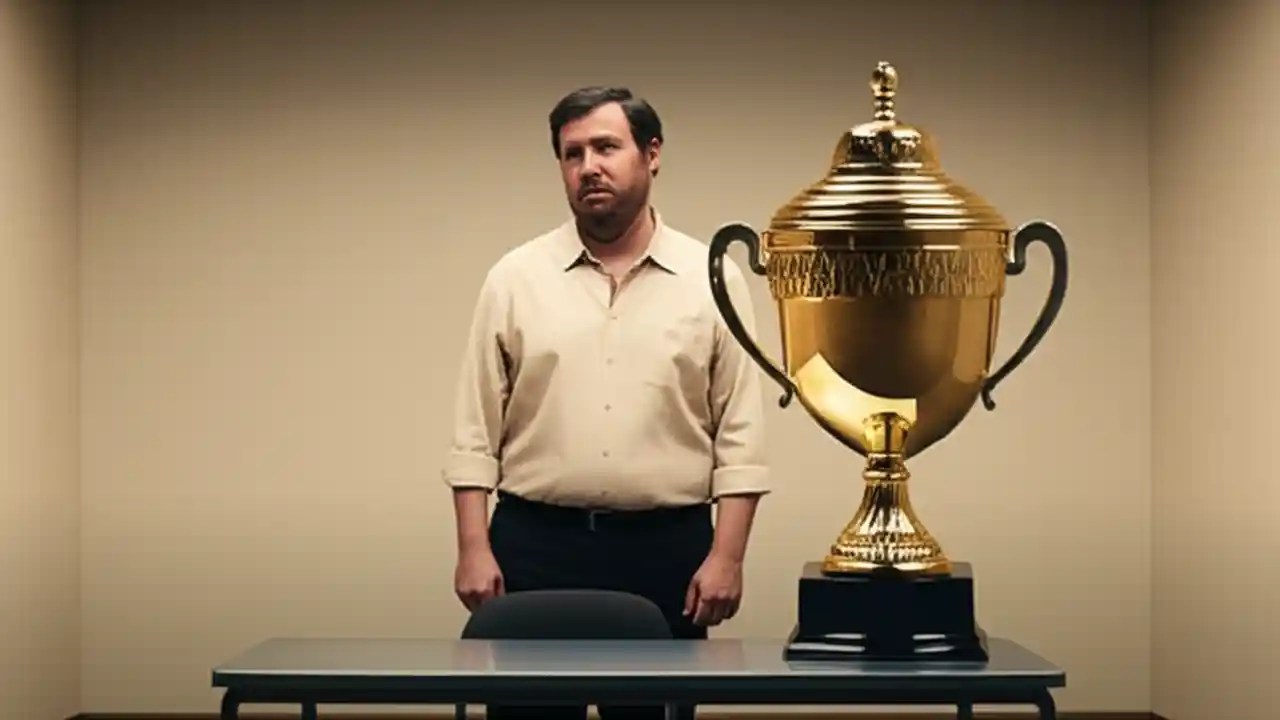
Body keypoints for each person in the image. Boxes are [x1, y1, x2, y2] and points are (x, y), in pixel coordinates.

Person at [442, 85, 769, 720]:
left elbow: (741, 433)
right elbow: (474, 428)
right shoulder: (516, 278)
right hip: (535, 548)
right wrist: (473, 547)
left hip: (665, 552)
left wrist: (727, 558)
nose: (588, 166)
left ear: (651, 155)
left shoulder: (712, 279)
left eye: (606, 147)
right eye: (572, 153)